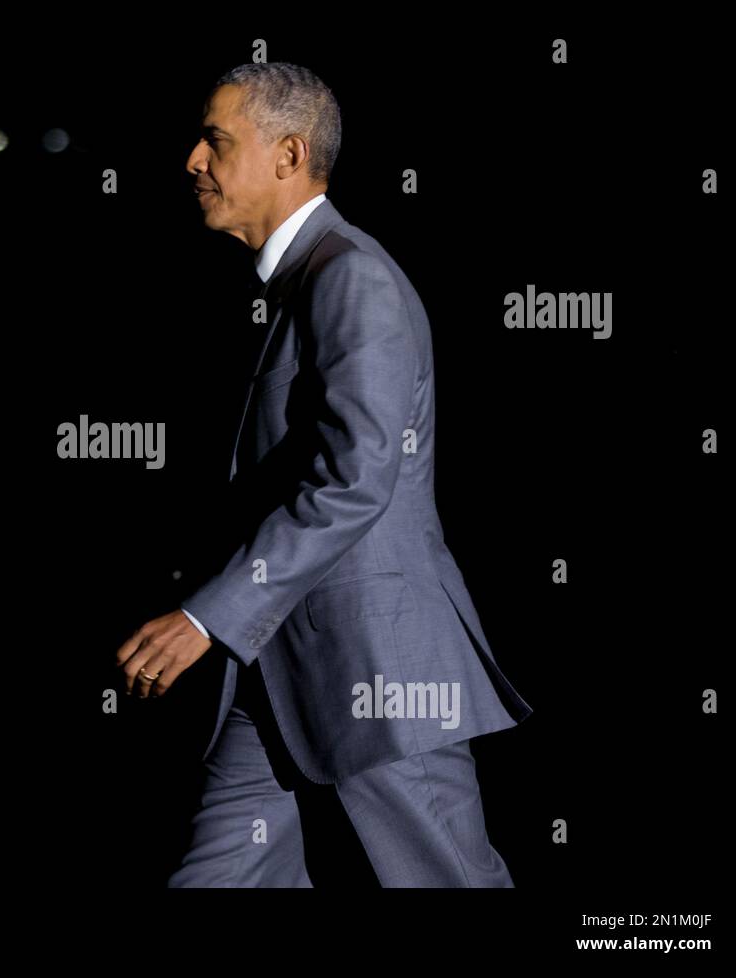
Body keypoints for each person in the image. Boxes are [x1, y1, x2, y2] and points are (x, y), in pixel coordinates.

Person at [113, 62, 533, 887]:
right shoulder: (302, 285)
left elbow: (354, 481)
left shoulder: (351, 278)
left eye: (216, 140)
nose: (192, 160)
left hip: (378, 672)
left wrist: (205, 618)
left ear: (289, 154)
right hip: (272, 669)